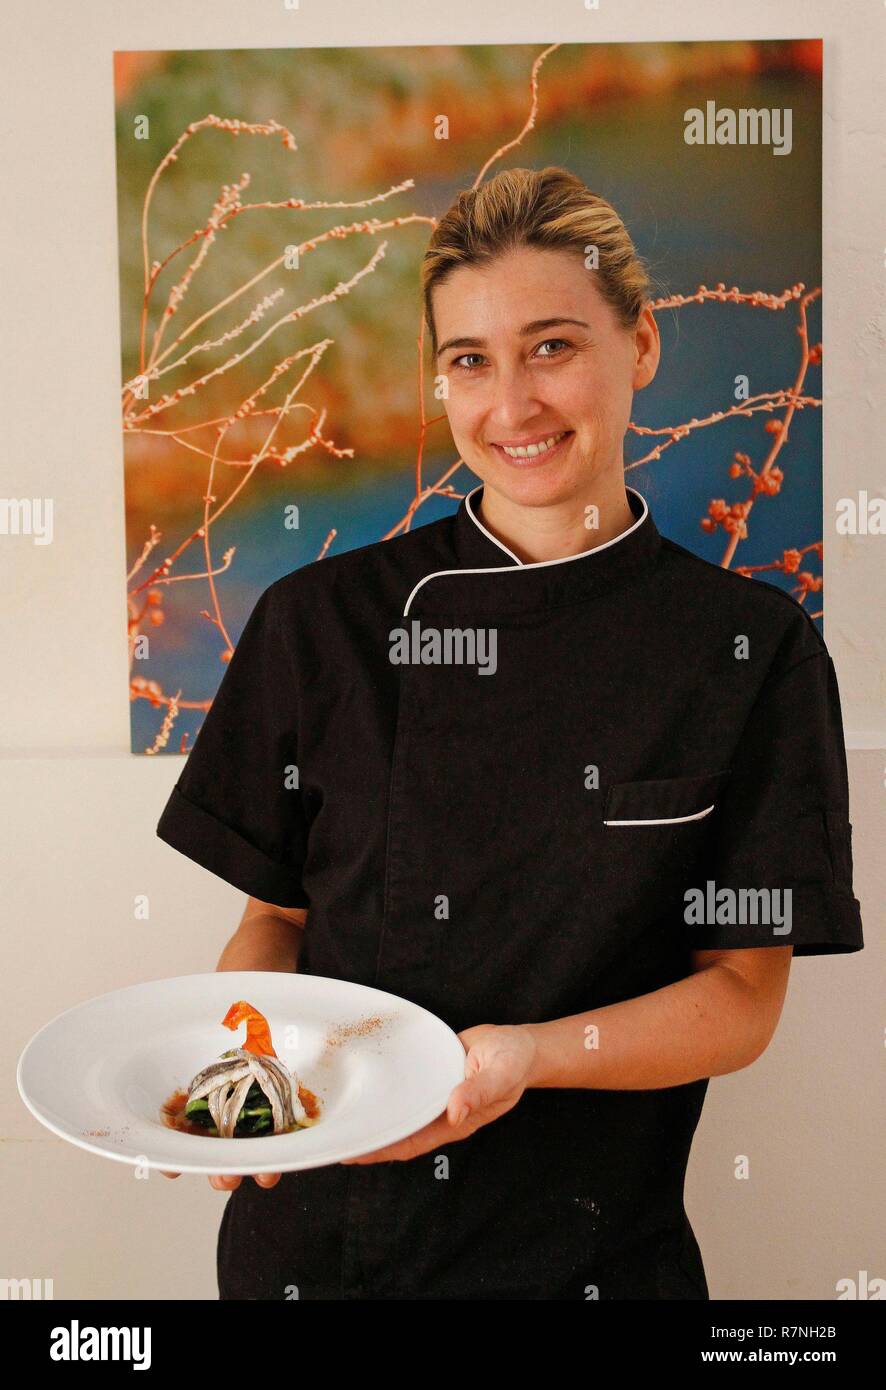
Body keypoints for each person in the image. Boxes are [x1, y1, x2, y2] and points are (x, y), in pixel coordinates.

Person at [157, 166, 864, 1300]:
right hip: (321, 1248)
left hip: (590, 1255)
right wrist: (251, 1082)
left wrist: (530, 1057)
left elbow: (741, 996)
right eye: (470, 361)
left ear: (639, 348)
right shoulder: (320, 623)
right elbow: (273, 922)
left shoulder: (747, 649)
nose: (512, 406)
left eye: (552, 347)